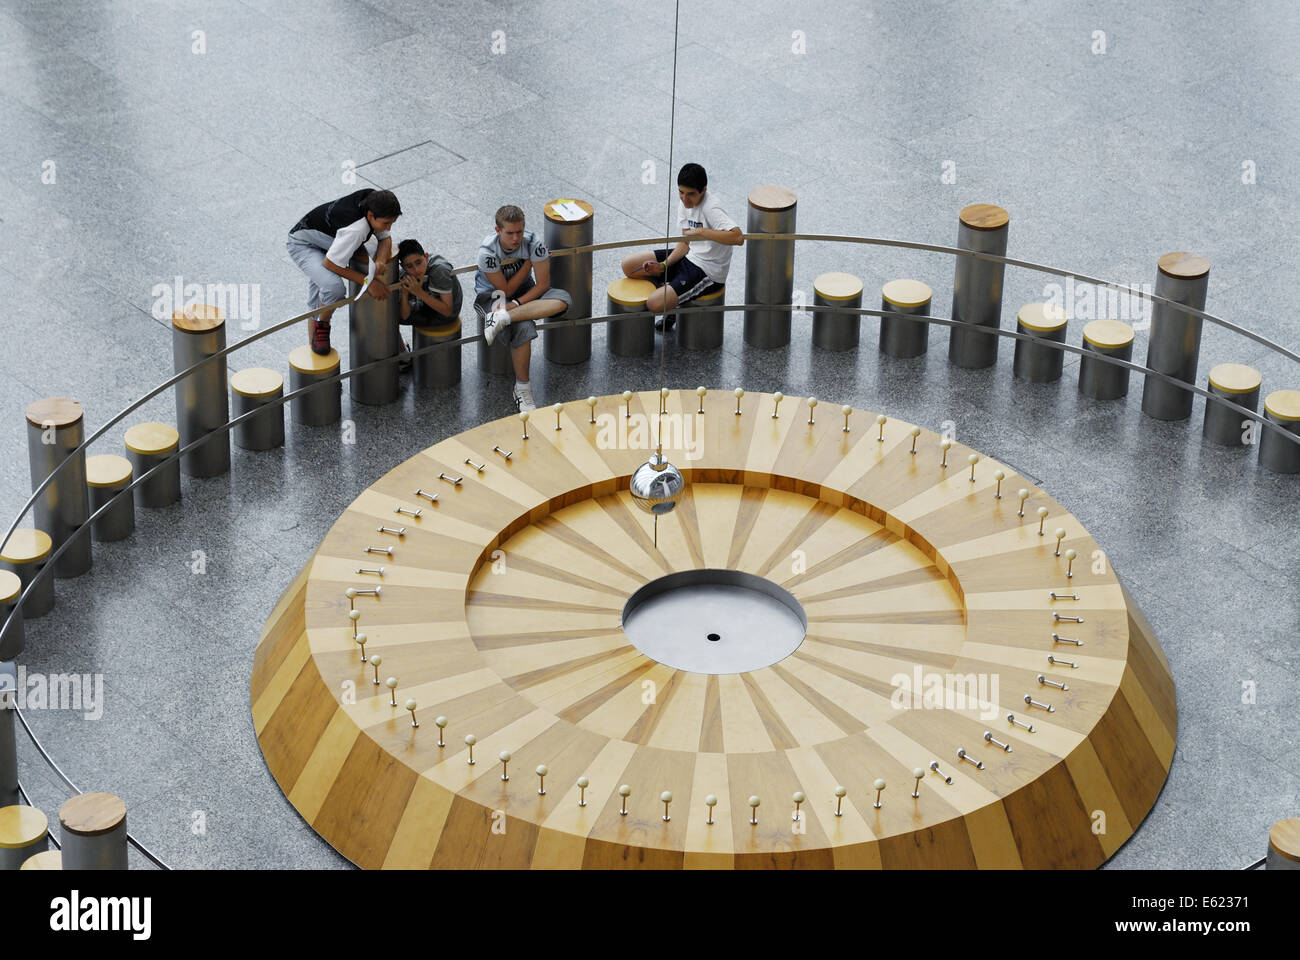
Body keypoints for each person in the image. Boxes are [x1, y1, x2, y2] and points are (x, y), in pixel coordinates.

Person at [620, 163, 743, 331]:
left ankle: (671, 305)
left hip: (708, 270)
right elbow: (686, 243)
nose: (685, 199)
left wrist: (702, 231)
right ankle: (671, 290)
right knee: (629, 265)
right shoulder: (685, 204)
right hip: (689, 255)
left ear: (703, 190)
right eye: (681, 192)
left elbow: (737, 237)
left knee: (654, 303)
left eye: (690, 194)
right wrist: (663, 266)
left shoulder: (711, 208)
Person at [473, 205, 571, 412]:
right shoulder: (487, 252)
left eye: (520, 231)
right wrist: (528, 265)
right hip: (493, 296)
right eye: (510, 233)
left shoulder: (534, 243)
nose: (516, 238)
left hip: (522, 294)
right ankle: (522, 389)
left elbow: (543, 284)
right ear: (498, 230)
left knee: (562, 299)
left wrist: (516, 305)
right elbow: (505, 288)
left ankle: (502, 318)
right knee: (524, 327)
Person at [286, 189, 402, 354]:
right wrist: (369, 282)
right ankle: (322, 326)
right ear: (370, 216)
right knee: (333, 288)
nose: (389, 227)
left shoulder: (374, 201)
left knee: (321, 294)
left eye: (392, 222)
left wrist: (381, 261)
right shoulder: (356, 230)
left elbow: (385, 238)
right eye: (386, 223)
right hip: (304, 244)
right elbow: (330, 264)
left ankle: (315, 342)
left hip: (327, 239)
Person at [395, 238, 463, 374]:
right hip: (426, 304)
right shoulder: (405, 275)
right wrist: (404, 293)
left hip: (444, 314)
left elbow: (447, 311)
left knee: (388, 318)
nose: (416, 270)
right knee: (388, 314)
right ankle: (404, 355)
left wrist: (418, 293)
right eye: (409, 266)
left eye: (419, 262)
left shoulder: (439, 270)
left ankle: (403, 358)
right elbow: (405, 315)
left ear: (426, 256)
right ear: (403, 267)